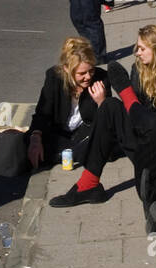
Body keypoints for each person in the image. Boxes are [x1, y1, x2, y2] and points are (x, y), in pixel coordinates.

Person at [26, 37, 115, 207]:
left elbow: (105, 124)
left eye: (90, 70)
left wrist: (102, 102)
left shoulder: (101, 78)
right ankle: (73, 154)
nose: (88, 77)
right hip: (59, 133)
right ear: (67, 69)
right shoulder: (54, 77)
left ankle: (66, 155)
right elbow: (42, 113)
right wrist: (35, 138)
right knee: (29, 140)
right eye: (82, 73)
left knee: (104, 141)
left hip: (85, 133)